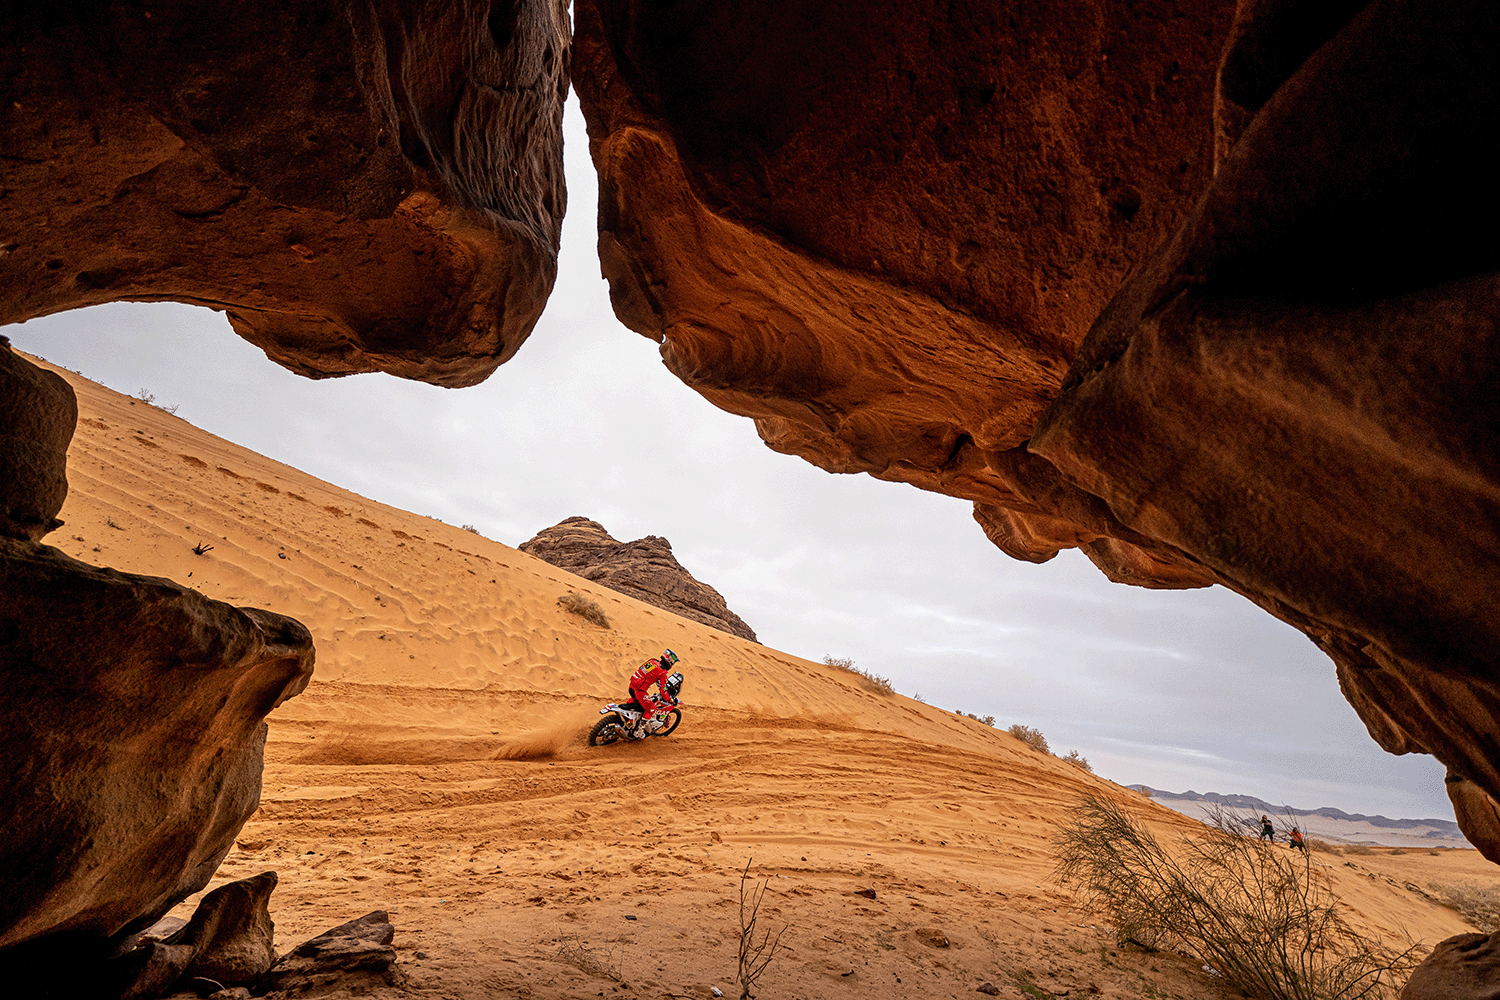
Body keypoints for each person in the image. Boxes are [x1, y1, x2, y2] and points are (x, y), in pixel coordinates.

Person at [627, 649, 682, 739]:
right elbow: (663, 691)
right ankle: (638, 732)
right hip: (639, 691)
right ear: (669, 661)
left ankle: (629, 721)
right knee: (651, 709)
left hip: (632, 685)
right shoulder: (663, 672)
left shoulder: (653, 661)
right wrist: (669, 700)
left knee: (637, 704)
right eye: (673, 662)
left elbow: (646, 672)